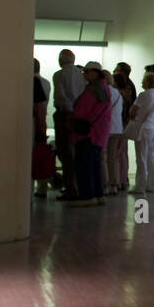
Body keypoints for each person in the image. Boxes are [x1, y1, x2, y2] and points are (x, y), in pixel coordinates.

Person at [69, 62, 112, 207]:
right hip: (100, 133)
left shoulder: (93, 90)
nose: (85, 74)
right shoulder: (105, 88)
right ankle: (98, 194)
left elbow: (81, 111)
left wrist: (72, 116)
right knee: (95, 165)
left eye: (87, 72)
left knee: (84, 165)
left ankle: (87, 195)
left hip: (88, 133)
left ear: (95, 73)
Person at [52, 49, 85, 200]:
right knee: (77, 151)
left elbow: (60, 96)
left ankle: (70, 187)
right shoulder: (81, 74)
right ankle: (78, 185)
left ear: (61, 60)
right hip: (81, 115)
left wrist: (69, 111)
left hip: (65, 115)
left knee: (65, 152)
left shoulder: (59, 75)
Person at [129, 71, 154, 193]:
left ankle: (140, 186)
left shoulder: (143, 95)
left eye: (144, 80)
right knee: (152, 157)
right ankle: (152, 185)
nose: (142, 82)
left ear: (148, 82)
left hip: (143, 129)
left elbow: (132, 110)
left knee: (141, 158)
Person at [113, 63, 137, 189]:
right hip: (125, 122)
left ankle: (117, 179)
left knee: (116, 153)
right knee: (122, 152)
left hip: (120, 123)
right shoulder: (130, 86)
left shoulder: (120, 91)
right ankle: (123, 178)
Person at [101, 70, 124, 195]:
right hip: (117, 128)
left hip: (105, 128)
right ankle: (114, 184)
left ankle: (105, 183)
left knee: (102, 157)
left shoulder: (103, 92)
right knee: (113, 157)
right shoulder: (118, 93)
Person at [33, 60, 50, 199]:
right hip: (41, 120)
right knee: (40, 155)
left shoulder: (30, 82)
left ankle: (31, 186)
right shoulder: (46, 82)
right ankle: (42, 187)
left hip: (34, 122)